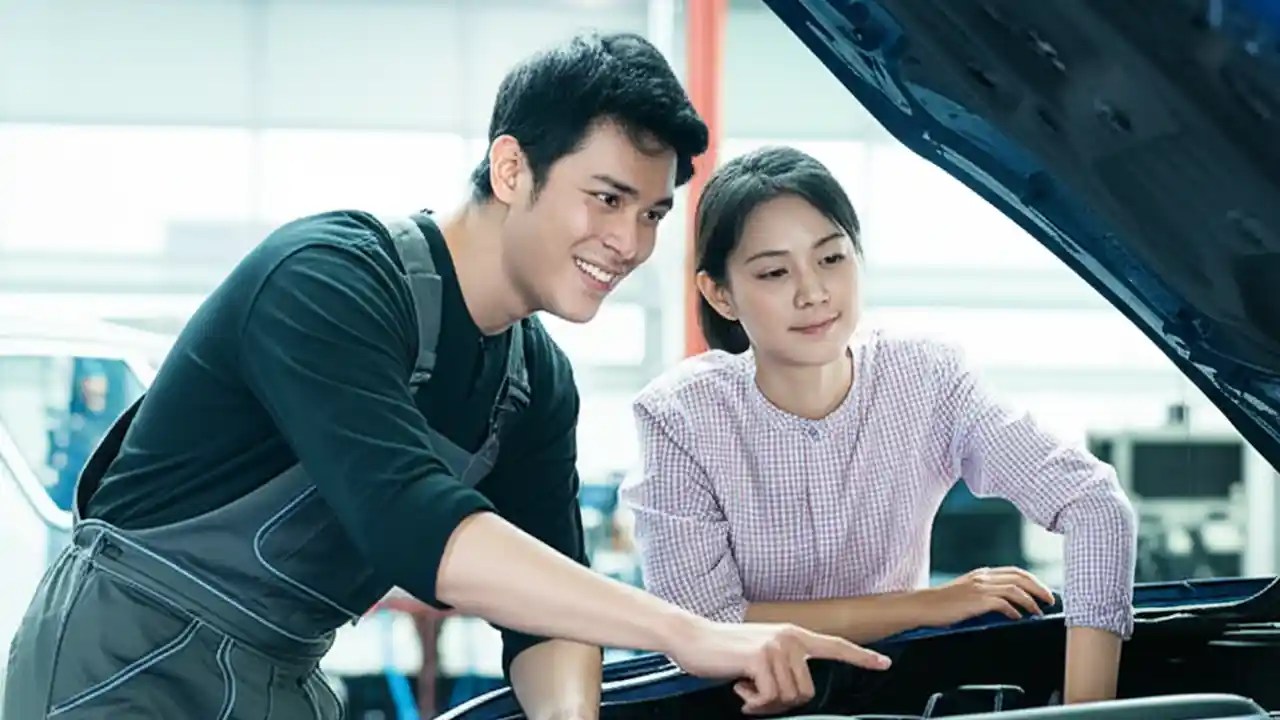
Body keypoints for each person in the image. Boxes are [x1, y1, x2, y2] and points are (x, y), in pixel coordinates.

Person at [2, 38, 890, 720]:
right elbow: (418, 526)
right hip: (121, 664)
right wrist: (690, 632)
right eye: (606, 197)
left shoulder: (534, 382)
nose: (629, 242)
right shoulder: (328, 279)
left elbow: (548, 616)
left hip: (281, 675)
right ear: (512, 168)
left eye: (652, 213)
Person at [619, 146, 1139, 706]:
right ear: (720, 294)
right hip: (732, 706)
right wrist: (925, 605)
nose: (813, 292)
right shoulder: (679, 417)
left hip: (899, 698)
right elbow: (705, 624)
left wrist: (1087, 711)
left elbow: (1095, 504)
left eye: (831, 259)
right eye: (774, 272)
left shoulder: (927, 379)